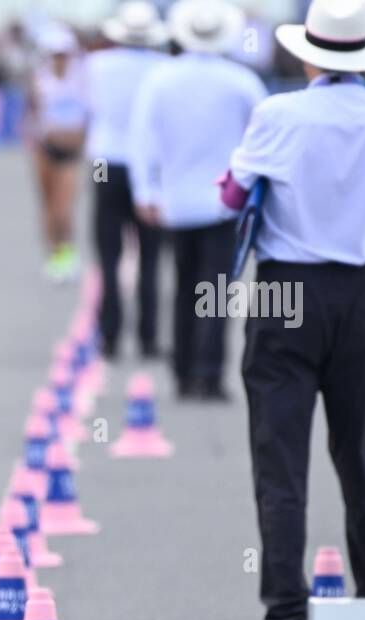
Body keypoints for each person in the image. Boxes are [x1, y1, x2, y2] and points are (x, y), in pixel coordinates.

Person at [220, 0, 365, 620]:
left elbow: (231, 194)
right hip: (362, 290)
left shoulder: (279, 114)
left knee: (279, 458)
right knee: (362, 453)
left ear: (309, 54)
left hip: (287, 285)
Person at [128, 0, 265, 399]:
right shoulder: (243, 81)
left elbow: (142, 140)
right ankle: (208, 371)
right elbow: (262, 139)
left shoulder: (160, 79)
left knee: (184, 285)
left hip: (175, 202)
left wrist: (145, 191)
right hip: (226, 202)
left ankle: (183, 369)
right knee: (217, 292)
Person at [85, 1, 169, 359]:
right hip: (149, 165)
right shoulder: (164, 68)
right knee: (150, 256)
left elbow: (87, 108)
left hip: (108, 161)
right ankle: (148, 338)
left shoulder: (96, 65)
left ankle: (110, 335)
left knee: (108, 254)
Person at [28, 22, 87, 283]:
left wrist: (80, 137)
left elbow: (90, 113)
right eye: (55, 54)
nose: (59, 59)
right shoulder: (40, 79)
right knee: (48, 204)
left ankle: (67, 251)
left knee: (64, 205)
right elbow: (34, 112)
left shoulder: (82, 78)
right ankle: (53, 253)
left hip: (71, 150)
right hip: (45, 147)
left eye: (63, 54)